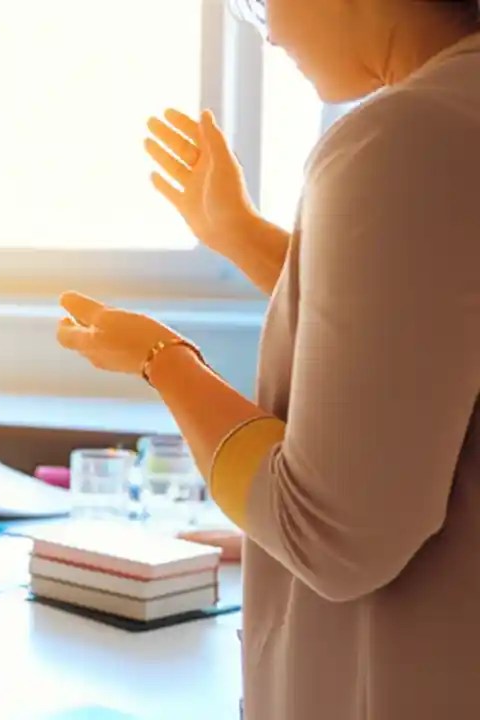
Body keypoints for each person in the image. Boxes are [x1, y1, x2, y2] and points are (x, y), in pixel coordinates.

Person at [59, 1, 480, 717]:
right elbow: (421, 326)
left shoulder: (405, 135)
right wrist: (240, 234)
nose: (272, 29)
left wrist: (163, 361)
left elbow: (331, 534)